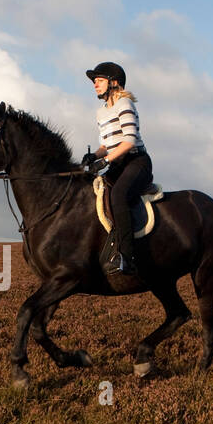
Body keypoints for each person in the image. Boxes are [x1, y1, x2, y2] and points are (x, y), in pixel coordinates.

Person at [82, 61, 152, 276]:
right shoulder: (101, 112)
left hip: (136, 162)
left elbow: (129, 141)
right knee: (96, 191)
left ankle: (127, 257)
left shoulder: (125, 104)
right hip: (117, 162)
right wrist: (94, 155)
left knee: (118, 194)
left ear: (113, 83)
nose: (95, 84)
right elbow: (108, 144)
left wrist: (105, 161)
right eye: (94, 81)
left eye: (99, 80)